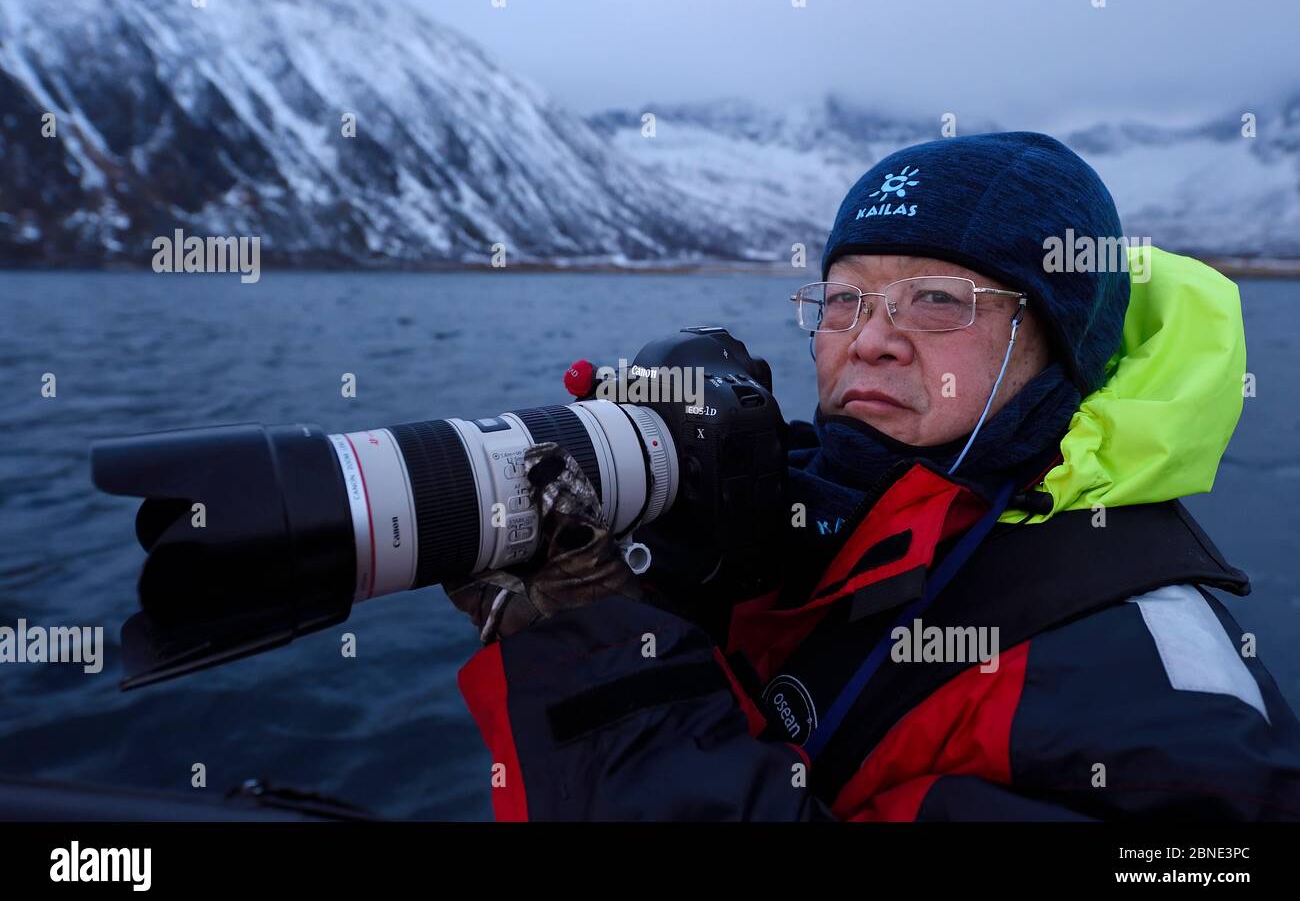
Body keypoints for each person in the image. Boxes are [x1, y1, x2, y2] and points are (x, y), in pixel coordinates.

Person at [446, 131, 1300, 820]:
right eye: (844, 300)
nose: (868, 339)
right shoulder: (811, 523)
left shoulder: (1158, 695)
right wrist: (645, 596)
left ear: (1057, 347)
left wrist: (612, 684)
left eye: (936, 299)